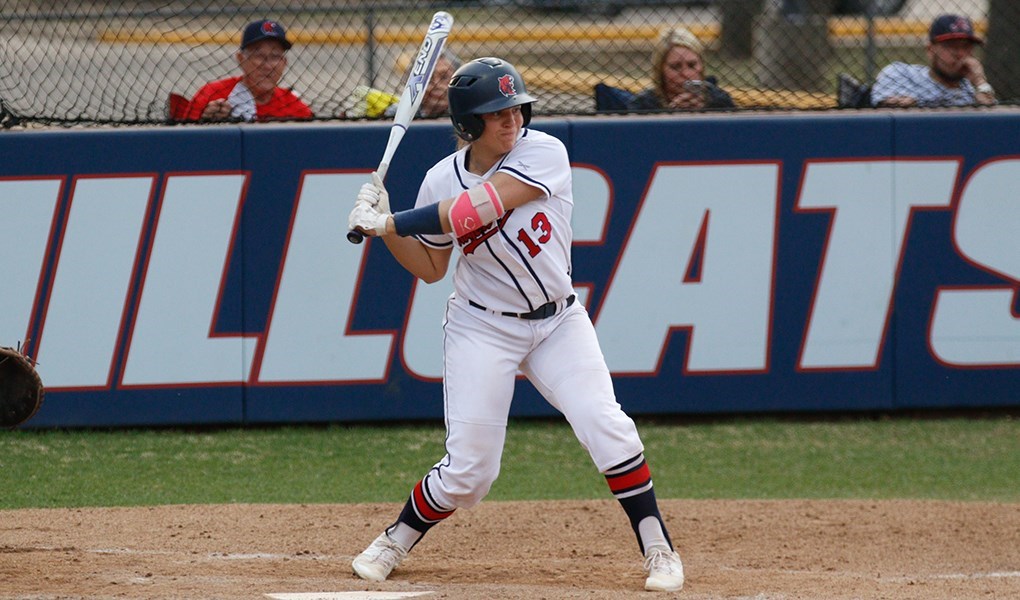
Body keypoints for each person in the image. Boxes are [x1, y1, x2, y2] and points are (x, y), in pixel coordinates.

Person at [346, 57, 685, 593]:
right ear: (467, 124)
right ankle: (394, 540)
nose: (512, 120)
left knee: (606, 424)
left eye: (516, 108)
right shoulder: (438, 178)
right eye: (496, 113)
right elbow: (432, 269)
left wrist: (390, 221)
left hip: (558, 322)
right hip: (481, 328)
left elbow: (478, 208)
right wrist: (385, 232)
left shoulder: (544, 152)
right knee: (472, 471)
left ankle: (659, 548)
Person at [185, 19, 313, 122]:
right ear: (241, 59)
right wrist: (205, 123)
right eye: (259, 56)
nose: (267, 66)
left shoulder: (296, 108)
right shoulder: (211, 95)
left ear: (284, 62)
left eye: (275, 56)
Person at [870, 14, 996, 108]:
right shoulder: (902, 73)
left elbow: (992, 119)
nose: (961, 54)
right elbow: (889, 113)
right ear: (930, 50)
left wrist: (980, 81)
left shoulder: (971, 90)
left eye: (966, 47)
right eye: (951, 46)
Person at [628, 27, 734, 111]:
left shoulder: (718, 100)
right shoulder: (644, 104)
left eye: (692, 65)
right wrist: (672, 115)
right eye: (675, 67)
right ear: (660, 70)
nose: (686, 74)